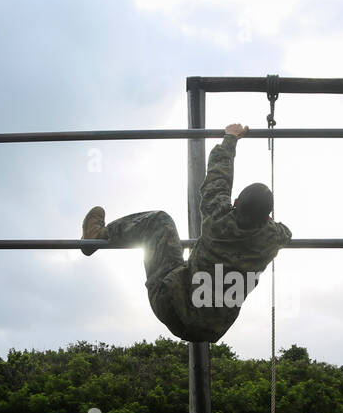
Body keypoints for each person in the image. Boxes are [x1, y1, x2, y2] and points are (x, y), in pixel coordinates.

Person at [79, 124, 292, 343]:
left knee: (159, 221)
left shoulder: (217, 217)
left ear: (236, 203)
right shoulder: (272, 239)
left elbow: (218, 179)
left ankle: (97, 235)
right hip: (214, 330)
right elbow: (287, 232)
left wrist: (230, 138)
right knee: (189, 271)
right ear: (267, 217)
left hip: (170, 307)